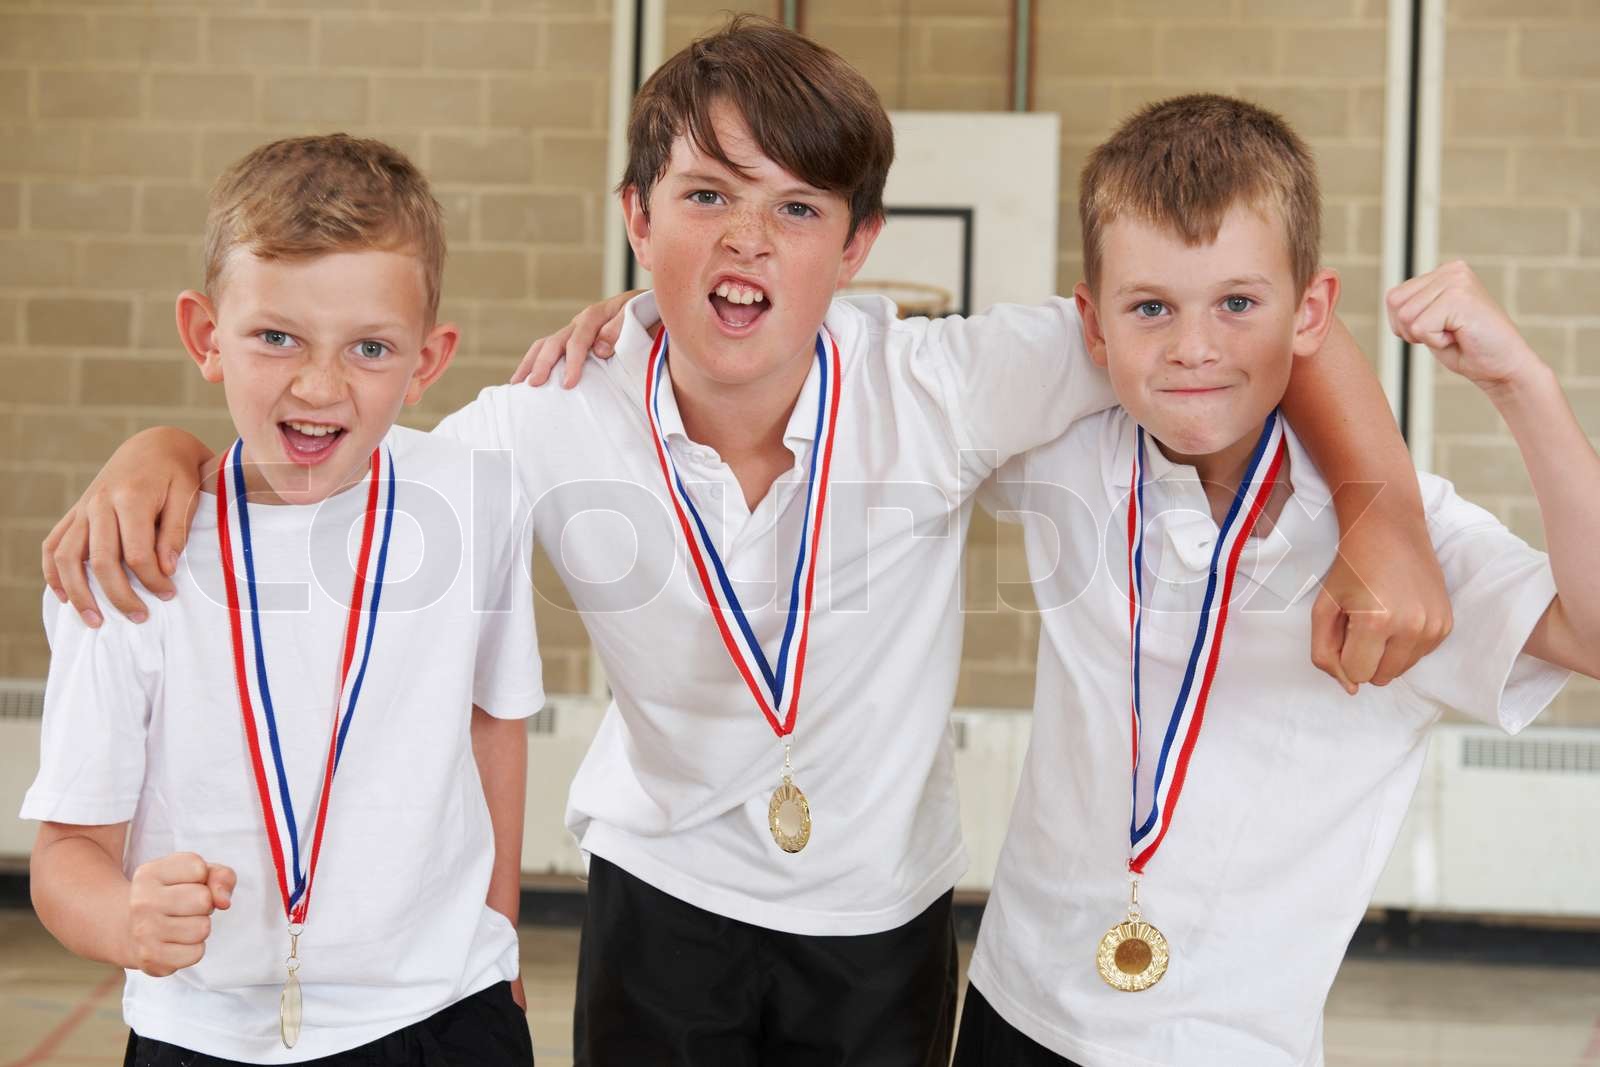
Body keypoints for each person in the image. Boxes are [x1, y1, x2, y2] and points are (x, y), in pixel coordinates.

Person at [40, 20, 1448, 1066]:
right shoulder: (549, 419)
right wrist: (158, 450)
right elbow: (336, 440)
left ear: (860, 242)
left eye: (796, 208)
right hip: (663, 907)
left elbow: (1217, 327)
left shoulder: (944, 383)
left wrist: (1381, 507)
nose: (749, 244)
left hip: (884, 924)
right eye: (706, 196)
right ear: (635, 218)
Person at [951, 95, 1591, 1066]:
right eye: (1150, 307)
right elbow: (859, 370)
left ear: (1311, 312)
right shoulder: (1067, 448)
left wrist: (1522, 388)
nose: (1194, 347)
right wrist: (650, 326)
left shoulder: (1410, 540)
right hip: (1015, 1010)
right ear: (1093, 323)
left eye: (1237, 304)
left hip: (1232, 1043)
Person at [22, 134, 542, 1065]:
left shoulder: (477, 496)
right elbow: (67, 856)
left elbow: (492, 723)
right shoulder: (128, 555)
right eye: (276, 337)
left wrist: (497, 933)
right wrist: (123, 917)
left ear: (428, 361)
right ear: (203, 335)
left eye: (371, 348)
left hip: (447, 1013)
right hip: (205, 1030)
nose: (318, 385)